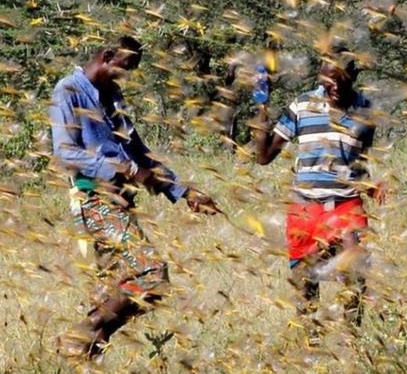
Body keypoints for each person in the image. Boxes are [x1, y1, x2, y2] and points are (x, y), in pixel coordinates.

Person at [49, 36, 219, 359]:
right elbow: (65, 152)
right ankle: (81, 332)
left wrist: (183, 191)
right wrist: (123, 169)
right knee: (151, 275)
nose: (125, 76)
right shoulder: (68, 90)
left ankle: (82, 352)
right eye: (123, 67)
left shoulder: (113, 96)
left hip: (121, 200)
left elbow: (138, 151)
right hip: (94, 198)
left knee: (116, 291)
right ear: (107, 55)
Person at [253, 46, 384, 345]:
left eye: (339, 80)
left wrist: (371, 185)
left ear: (352, 77)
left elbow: (359, 161)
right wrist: (262, 107)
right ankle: (310, 345)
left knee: (355, 273)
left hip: (346, 204)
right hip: (305, 207)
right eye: (327, 80)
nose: (332, 86)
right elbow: (263, 156)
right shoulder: (302, 106)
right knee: (305, 281)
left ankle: (353, 343)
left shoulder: (366, 110)